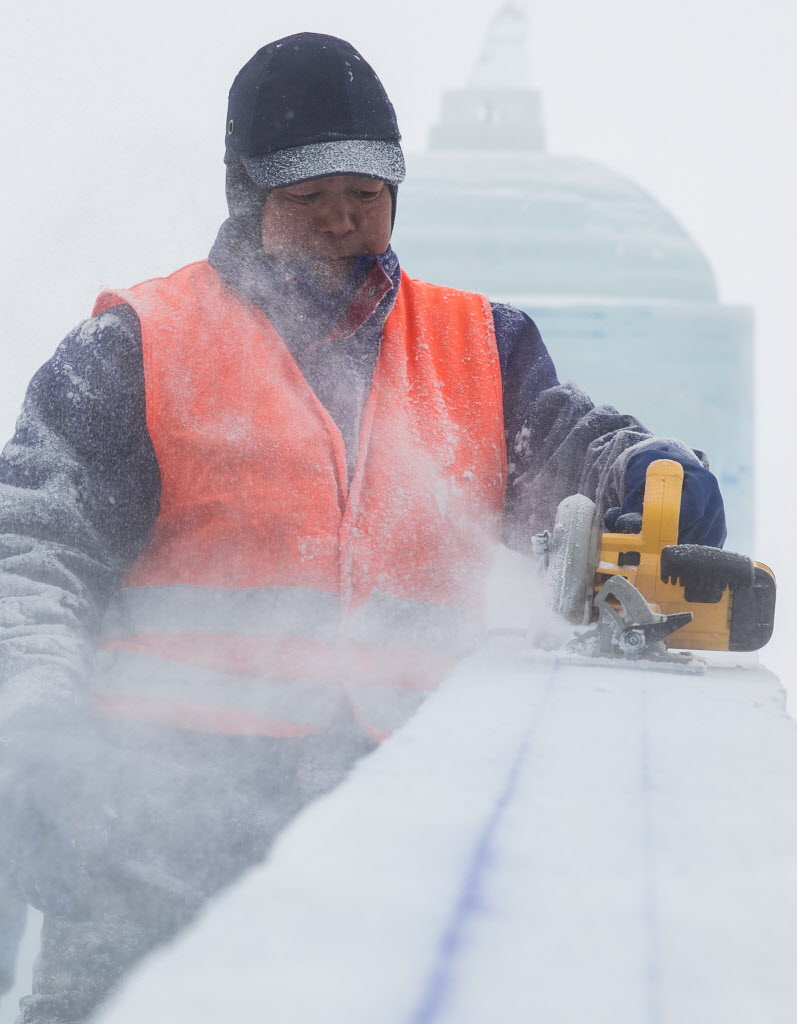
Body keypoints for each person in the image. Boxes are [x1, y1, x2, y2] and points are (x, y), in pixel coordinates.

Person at [0, 32, 725, 1024]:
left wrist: (640, 474)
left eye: (366, 188)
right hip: (147, 855)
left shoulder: (479, 345)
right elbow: (34, 547)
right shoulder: (135, 347)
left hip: (398, 850)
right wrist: (35, 712)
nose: (344, 217)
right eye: (308, 194)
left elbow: (565, 451)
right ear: (247, 196)